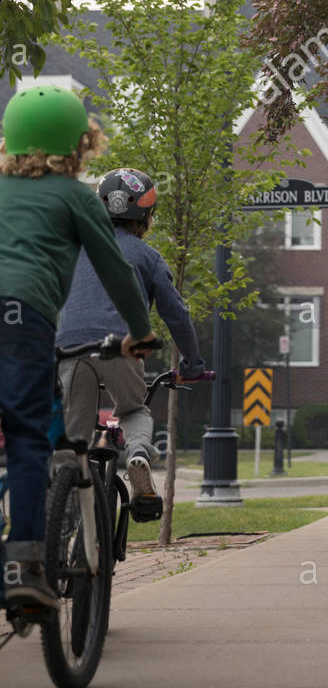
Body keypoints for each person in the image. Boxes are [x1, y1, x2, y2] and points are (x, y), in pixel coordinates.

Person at [0, 86, 155, 610]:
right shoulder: (73, 196)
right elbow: (113, 266)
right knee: (28, 437)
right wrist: (140, 329)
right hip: (24, 319)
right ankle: (24, 565)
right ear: (79, 145)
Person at [57, 168, 205, 517]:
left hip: (70, 348)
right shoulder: (147, 257)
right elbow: (177, 315)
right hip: (121, 345)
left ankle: (60, 509)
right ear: (146, 216)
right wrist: (192, 364)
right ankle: (138, 456)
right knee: (133, 410)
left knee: (73, 437)